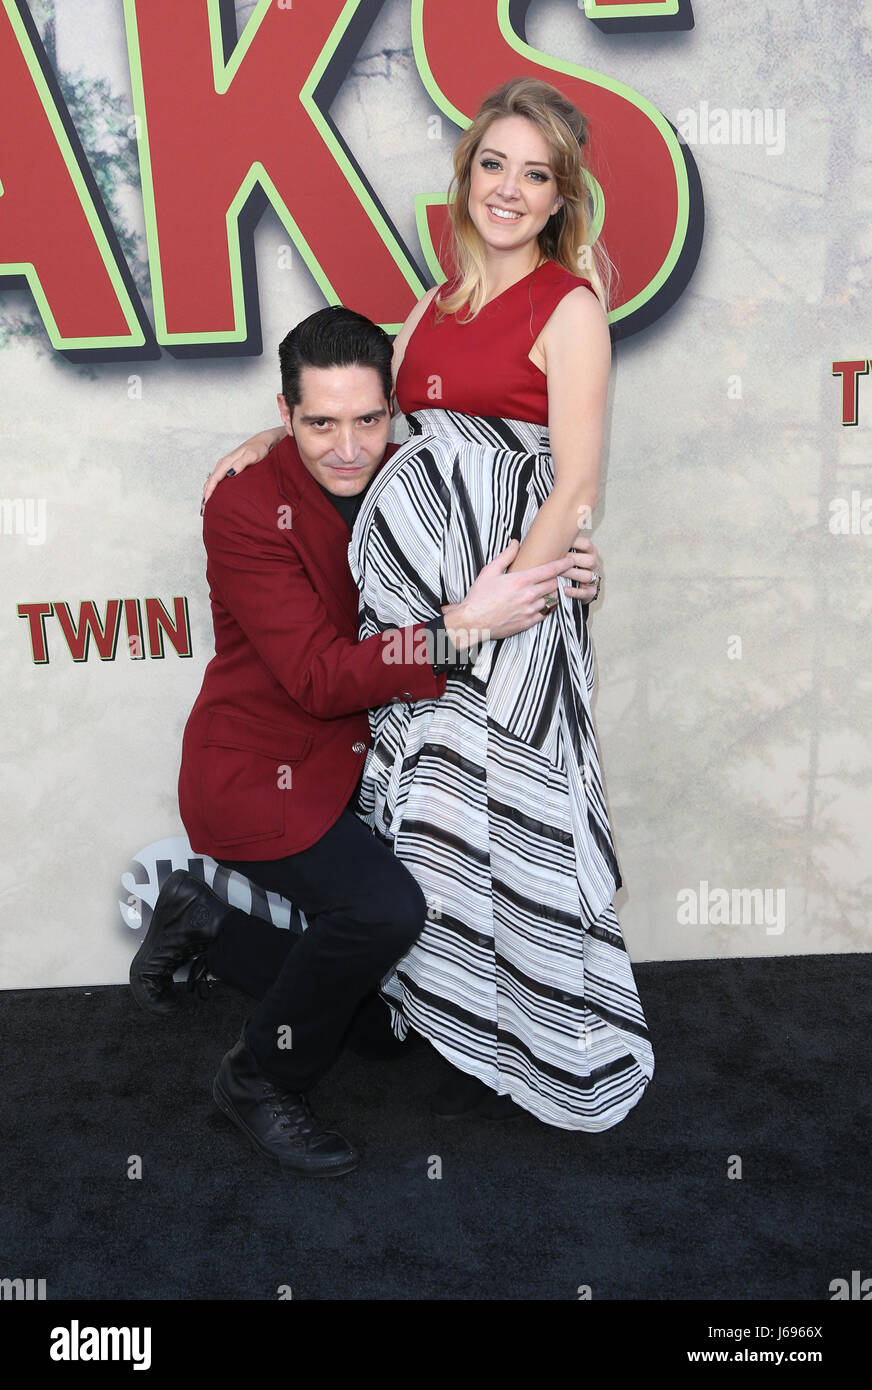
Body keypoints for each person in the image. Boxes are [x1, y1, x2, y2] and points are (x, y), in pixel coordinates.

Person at [204, 76, 653, 1133]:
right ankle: (467, 1021)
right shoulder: (436, 304)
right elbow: (375, 418)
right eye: (492, 164)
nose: (508, 188)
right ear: (467, 178)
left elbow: (575, 482)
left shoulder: (570, 307)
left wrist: (521, 595)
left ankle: (552, 1047)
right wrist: (270, 439)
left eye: (533, 175)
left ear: (558, 199)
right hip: (439, 614)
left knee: (521, 811)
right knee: (447, 828)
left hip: (505, 611)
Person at [131, 304, 601, 1176]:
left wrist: (568, 573)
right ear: (284, 413)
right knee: (385, 913)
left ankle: (206, 927)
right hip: (257, 775)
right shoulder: (242, 507)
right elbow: (317, 675)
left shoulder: (418, 472)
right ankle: (259, 1078)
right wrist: (459, 627)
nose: (348, 448)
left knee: (387, 1025)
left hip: (377, 767)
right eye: (319, 424)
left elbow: (510, 557)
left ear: (395, 409)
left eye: (368, 419)